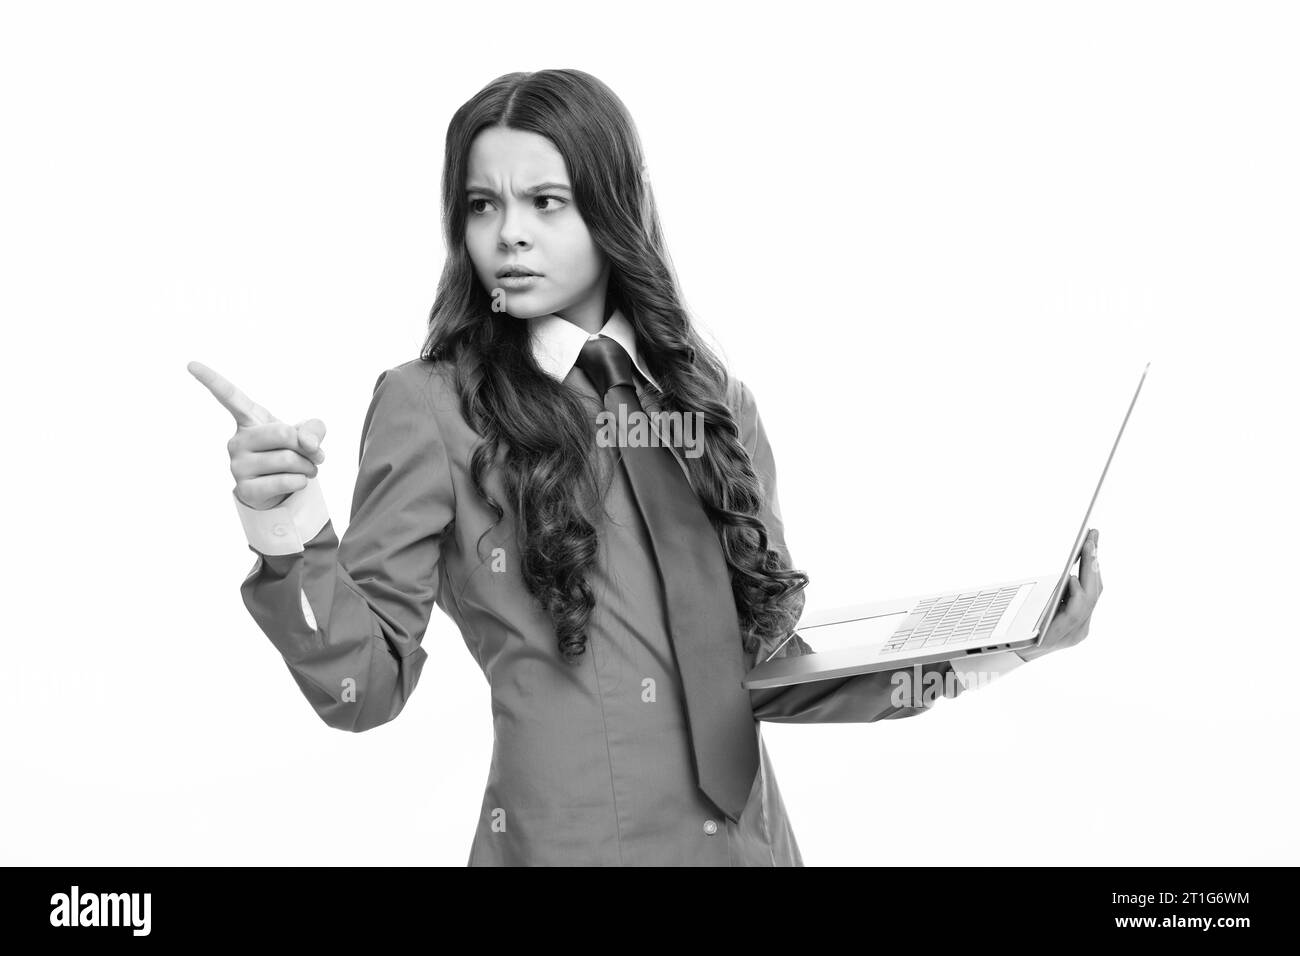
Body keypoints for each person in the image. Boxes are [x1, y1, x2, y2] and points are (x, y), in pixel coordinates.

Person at [189, 69, 1103, 866]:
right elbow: (367, 689)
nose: (508, 234)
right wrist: (289, 530)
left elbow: (768, 671)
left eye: (546, 202)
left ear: (611, 208)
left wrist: (1009, 646)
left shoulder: (713, 402)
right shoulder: (431, 407)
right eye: (482, 204)